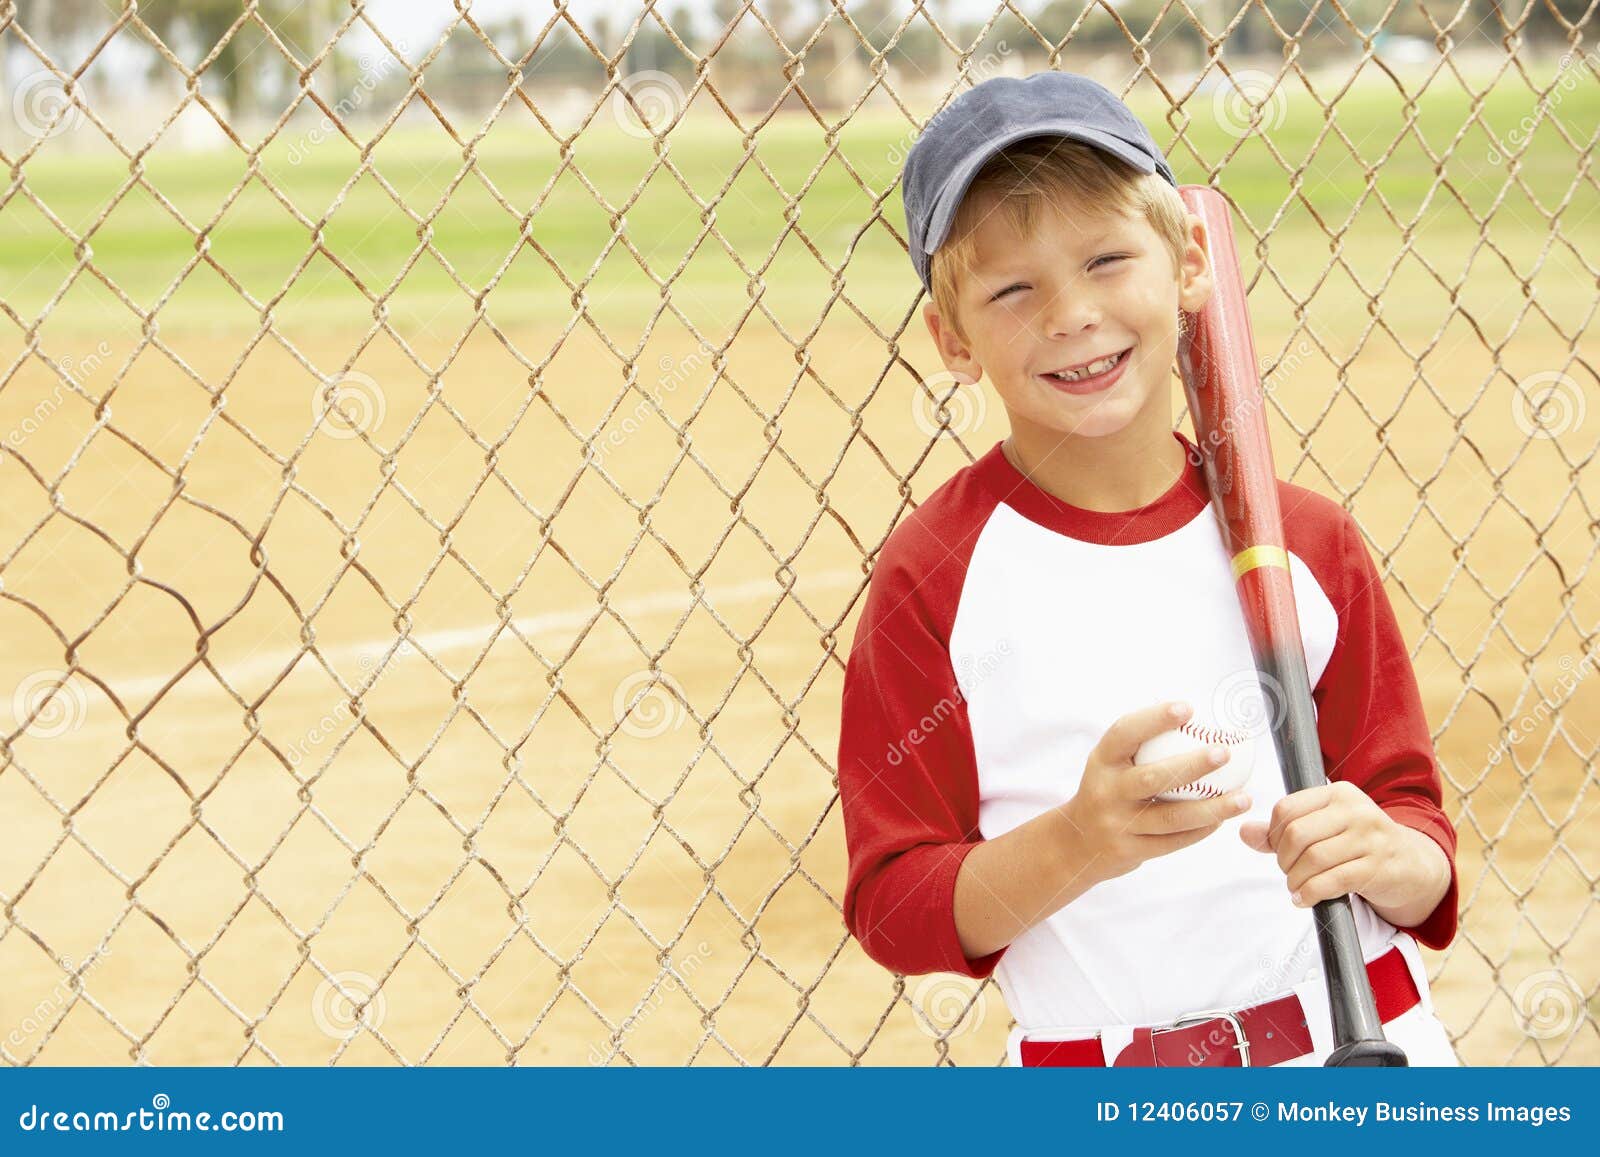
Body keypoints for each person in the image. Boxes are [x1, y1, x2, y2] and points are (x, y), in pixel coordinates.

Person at [836, 70, 1461, 1067]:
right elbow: (891, 904)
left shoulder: (1305, 540)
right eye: (1012, 289)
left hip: (1369, 1042)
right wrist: (1076, 842)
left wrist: (1392, 857)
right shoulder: (937, 574)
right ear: (952, 339)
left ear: (1189, 265)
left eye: (1106, 259)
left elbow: (1418, 835)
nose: (1072, 313)